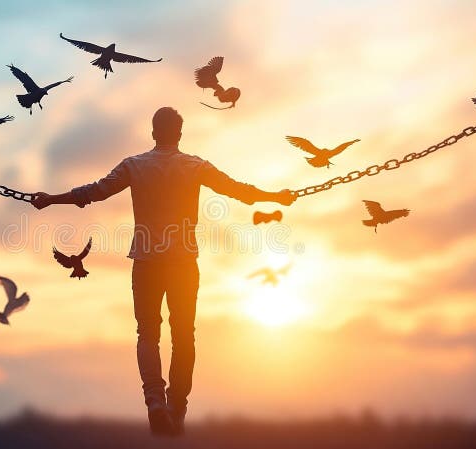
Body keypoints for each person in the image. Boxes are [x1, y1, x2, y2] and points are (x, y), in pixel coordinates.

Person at [31, 107, 296, 436]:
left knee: (148, 333)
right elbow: (236, 190)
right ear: (179, 134)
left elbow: (92, 193)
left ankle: (155, 401)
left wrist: (50, 199)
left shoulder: (134, 166)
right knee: (184, 335)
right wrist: (276, 198)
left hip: (146, 262)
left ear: (154, 132)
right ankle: (177, 406)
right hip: (184, 263)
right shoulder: (195, 166)